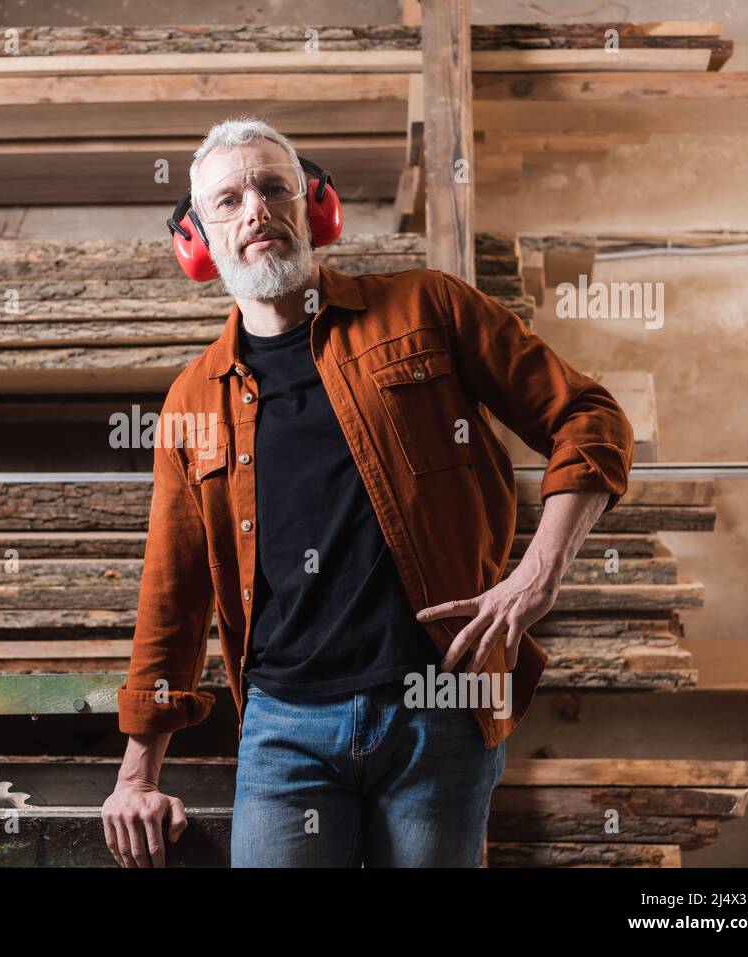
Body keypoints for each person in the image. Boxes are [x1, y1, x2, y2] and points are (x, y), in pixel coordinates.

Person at [100, 116, 634, 867]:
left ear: (314, 209)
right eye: (227, 200)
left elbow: (589, 417)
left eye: (273, 187)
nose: (255, 208)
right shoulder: (193, 401)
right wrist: (135, 776)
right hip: (284, 731)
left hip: (438, 710)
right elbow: (173, 593)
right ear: (197, 241)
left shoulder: (428, 309)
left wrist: (536, 576)